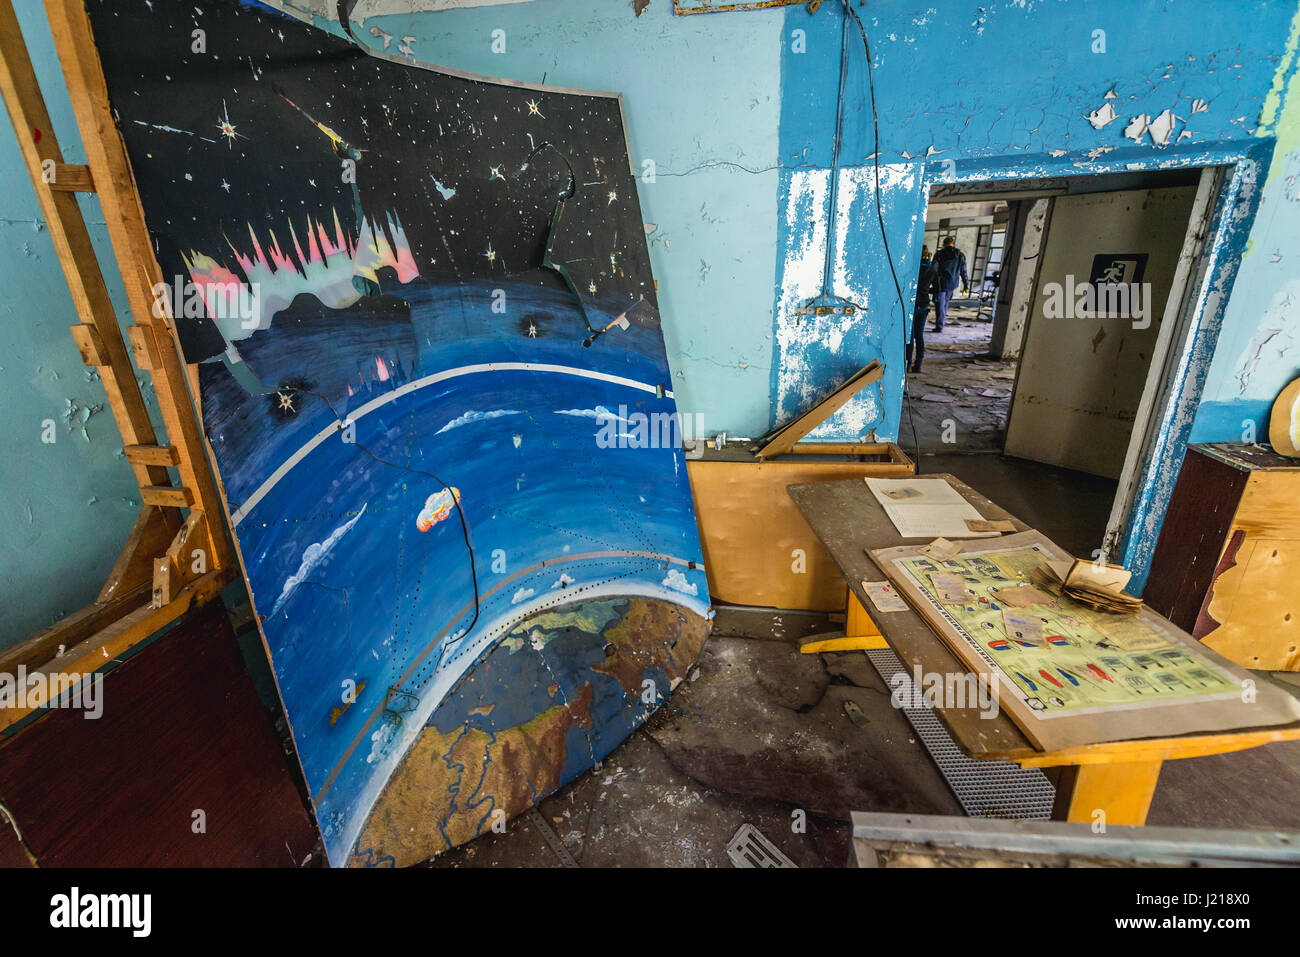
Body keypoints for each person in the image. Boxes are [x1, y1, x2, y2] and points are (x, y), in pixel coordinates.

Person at [908, 246, 937, 373]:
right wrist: (926, 289)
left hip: (912, 304)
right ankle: (918, 364)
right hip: (925, 304)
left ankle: (907, 364)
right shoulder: (933, 269)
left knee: (910, 335)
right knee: (919, 336)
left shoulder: (912, 268)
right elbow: (938, 289)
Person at [931, 235, 969, 332]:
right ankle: (941, 323)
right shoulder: (960, 255)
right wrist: (966, 285)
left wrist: (929, 282)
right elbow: (963, 271)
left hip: (940, 283)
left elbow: (933, 269)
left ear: (944, 245)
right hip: (952, 284)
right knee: (945, 304)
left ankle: (939, 326)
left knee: (940, 305)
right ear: (953, 244)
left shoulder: (939, 254)